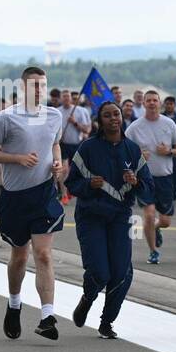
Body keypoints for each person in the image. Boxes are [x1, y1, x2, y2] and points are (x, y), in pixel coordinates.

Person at [0, 66, 66, 341]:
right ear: (23, 87)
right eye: (34, 85)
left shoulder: (54, 116)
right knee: (20, 256)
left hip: (44, 194)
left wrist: (58, 163)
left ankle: (47, 317)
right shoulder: (7, 118)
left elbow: (55, 144)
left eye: (43, 84)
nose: (39, 90)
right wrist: (17, 159)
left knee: (43, 254)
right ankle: (14, 304)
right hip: (15, 197)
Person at [66, 101, 152, 339]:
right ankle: (88, 298)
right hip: (91, 216)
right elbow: (70, 183)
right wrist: (88, 184)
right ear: (99, 121)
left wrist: (136, 182)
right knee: (100, 272)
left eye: (116, 114)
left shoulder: (133, 150)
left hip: (121, 217)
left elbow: (148, 189)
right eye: (107, 115)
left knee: (122, 272)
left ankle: (106, 322)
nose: (113, 118)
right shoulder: (87, 148)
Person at [125, 90, 176, 265]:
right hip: (145, 179)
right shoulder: (135, 127)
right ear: (143, 103)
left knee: (165, 221)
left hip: (165, 177)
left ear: (160, 103)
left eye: (155, 100)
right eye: (148, 100)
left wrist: (169, 151)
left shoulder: (169, 123)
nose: (152, 103)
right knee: (149, 215)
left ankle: (156, 229)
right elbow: (123, 152)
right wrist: (137, 156)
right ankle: (153, 251)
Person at [57, 88, 91, 204]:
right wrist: (57, 136)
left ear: (71, 98)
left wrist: (75, 122)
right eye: (64, 96)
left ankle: (77, 191)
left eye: (68, 96)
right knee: (64, 170)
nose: (66, 98)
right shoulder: (57, 112)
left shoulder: (80, 111)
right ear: (61, 99)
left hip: (78, 144)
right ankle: (64, 194)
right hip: (63, 145)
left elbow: (87, 129)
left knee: (79, 171)